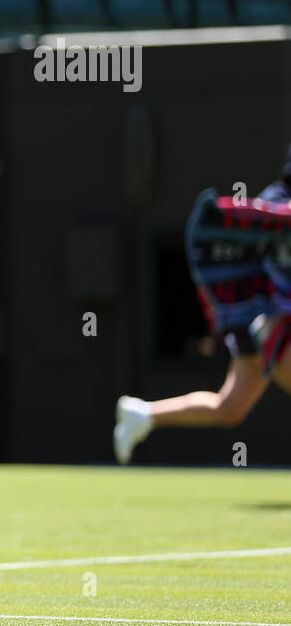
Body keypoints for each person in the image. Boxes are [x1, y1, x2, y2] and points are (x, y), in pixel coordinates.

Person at [115, 151, 291, 464]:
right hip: (269, 326)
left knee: (229, 409)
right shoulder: (274, 203)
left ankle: (143, 415)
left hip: (267, 328)